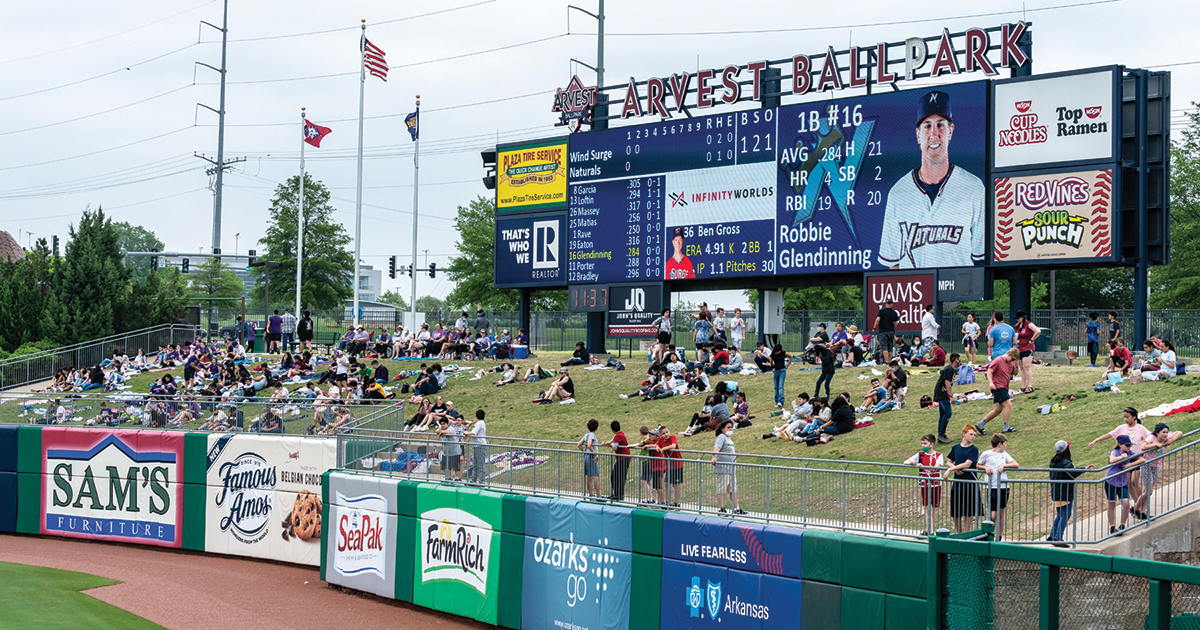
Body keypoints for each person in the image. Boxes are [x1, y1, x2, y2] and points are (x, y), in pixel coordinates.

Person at [878, 90, 986, 269]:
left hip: (960, 294)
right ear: (917, 134)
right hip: (913, 296)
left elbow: (981, 258)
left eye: (940, 125)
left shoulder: (973, 187)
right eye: (927, 126)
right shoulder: (898, 193)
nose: (934, 134)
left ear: (951, 131)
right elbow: (893, 263)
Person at [1047, 441, 1093, 547]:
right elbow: (1072, 473)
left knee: (1060, 514)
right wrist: (1084, 469)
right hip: (1065, 492)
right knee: (1065, 514)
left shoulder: (1053, 461)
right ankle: (1058, 537)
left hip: (1056, 492)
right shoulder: (1065, 462)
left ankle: (1052, 535)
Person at [1134, 423, 1183, 520]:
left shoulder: (1167, 437)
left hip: (1156, 466)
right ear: (1157, 433)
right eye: (1163, 432)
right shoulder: (1152, 437)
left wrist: (1172, 440)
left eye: (1166, 432)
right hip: (1146, 465)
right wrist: (1155, 444)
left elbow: (1180, 432)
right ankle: (1135, 509)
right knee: (1149, 491)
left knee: (1146, 491)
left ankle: (1142, 512)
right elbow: (1143, 447)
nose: (1165, 434)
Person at [978, 434, 1019, 540]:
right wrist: (986, 467)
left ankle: (999, 537)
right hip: (991, 487)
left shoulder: (1004, 454)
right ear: (999, 444)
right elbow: (978, 465)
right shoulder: (986, 454)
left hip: (1003, 487)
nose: (1006, 446)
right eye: (1005, 444)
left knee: (1001, 511)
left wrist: (1004, 465)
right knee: (992, 515)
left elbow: (1015, 464)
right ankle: (989, 534)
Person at [904, 434, 945, 535]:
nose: (923, 445)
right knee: (927, 507)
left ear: (931, 444)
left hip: (935, 484)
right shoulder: (920, 454)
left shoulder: (938, 455)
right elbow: (905, 461)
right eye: (922, 443)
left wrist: (923, 466)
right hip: (925, 485)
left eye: (925, 443)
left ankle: (930, 528)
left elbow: (935, 468)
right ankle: (929, 530)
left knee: (933, 507)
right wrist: (912, 462)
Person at [945, 425, 982, 534]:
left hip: (970, 484)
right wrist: (954, 469)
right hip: (958, 484)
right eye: (971, 434)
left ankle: (966, 533)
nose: (973, 437)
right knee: (956, 511)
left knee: (969, 511)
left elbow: (967, 464)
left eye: (974, 435)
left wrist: (950, 470)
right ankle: (959, 533)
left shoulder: (974, 449)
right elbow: (948, 461)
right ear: (964, 434)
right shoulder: (955, 447)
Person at [1105, 435, 1145, 535]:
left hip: (1122, 482)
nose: (1129, 448)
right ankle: (1112, 526)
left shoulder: (1129, 452)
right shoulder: (1115, 451)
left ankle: (1122, 525)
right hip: (1111, 481)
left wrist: (1130, 465)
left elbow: (1142, 459)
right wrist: (1121, 457)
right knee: (1112, 503)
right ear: (1120, 444)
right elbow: (1111, 460)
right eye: (1127, 445)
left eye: (1130, 446)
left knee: (1126, 503)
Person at [976, 348, 1020, 435]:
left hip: (1004, 387)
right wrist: (991, 383)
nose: (1012, 361)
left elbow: (1015, 373)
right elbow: (989, 371)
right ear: (1009, 355)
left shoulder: (1011, 363)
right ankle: (1006, 427)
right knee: (1008, 405)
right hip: (997, 387)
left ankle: (981, 424)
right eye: (1013, 359)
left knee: (998, 410)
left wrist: (1016, 364)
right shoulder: (998, 361)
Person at [712, 420, 746, 515]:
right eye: (728, 427)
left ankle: (736, 508)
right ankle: (721, 508)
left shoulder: (729, 439)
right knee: (722, 488)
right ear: (723, 429)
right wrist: (714, 457)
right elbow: (717, 448)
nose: (730, 429)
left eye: (731, 427)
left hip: (731, 469)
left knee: (733, 489)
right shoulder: (721, 437)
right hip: (723, 468)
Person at [934, 353, 962, 443]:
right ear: (955, 359)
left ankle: (941, 435)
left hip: (942, 392)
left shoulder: (951, 369)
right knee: (947, 413)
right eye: (959, 359)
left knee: (943, 413)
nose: (960, 361)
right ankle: (941, 434)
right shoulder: (949, 369)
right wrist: (950, 396)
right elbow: (947, 382)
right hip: (942, 393)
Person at [1012, 311, 1041, 393]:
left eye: (1018, 318)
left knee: (1027, 366)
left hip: (1028, 347)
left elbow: (1038, 331)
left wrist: (1032, 339)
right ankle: (1023, 386)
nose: (1017, 320)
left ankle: (1030, 386)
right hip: (1019, 347)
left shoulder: (1029, 324)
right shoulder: (1017, 326)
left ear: (1022, 317)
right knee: (1021, 367)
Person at [603, 421, 631, 501]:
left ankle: (618, 495)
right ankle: (617, 494)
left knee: (617, 476)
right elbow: (612, 441)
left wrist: (611, 445)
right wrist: (606, 443)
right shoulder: (620, 434)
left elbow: (615, 447)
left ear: (612, 430)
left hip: (623, 458)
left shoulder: (618, 436)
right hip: (623, 458)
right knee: (617, 476)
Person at [657, 426, 683, 507]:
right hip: (669, 465)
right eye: (663, 433)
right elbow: (656, 445)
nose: (666, 434)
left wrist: (663, 449)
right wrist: (657, 447)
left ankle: (676, 503)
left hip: (677, 465)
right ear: (660, 435)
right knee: (667, 483)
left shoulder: (672, 437)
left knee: (676, 484)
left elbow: (673, 446)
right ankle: (668, 502)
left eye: (667, 432)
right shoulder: (660, 440)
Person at [633, 426, 658, 503]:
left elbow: (638, 444)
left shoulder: (645, 440)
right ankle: (648, 498)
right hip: (649, 461)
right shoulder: (648, 440)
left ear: (640, 433)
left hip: (646, 461)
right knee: (647, 481)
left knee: (643, 480)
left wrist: (630, 446)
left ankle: (649, 498)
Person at [436, 416, 465, 482]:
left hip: (455, 451)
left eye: (444, 424)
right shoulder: (441, 429)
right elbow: (436, 430)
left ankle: (458, 479)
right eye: (441, 424)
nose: (442, 425)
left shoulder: (451, 428)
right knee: (446, 466)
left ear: (448, 423)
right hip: (446, 452)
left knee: (456, 467)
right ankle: (448, 478)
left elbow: (448, 432)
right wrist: (440, 430)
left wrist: (442, 432)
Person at [578, 419, 602, 498]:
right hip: (591, 457)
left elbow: (579, 445)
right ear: (597, 428)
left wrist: (584, 451)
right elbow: (589, 445)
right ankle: (599, 496)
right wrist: (594, 453)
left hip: (586, 456)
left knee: (589, 476)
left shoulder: (586, 435)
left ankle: (591, 494)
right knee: (595, 476)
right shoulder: (592, 435)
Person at [873, 299, 900, 363]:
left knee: (884, 346)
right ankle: (890, 361)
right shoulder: (894, 312)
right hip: (891, 331)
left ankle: (887, 361)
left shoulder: (881, 311)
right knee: (890, 346)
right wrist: (893, 328)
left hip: (883, 331)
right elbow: (896, 322)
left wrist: (874, 328)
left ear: (886, 304)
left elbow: (877, 320)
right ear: (891, 304)